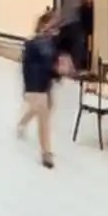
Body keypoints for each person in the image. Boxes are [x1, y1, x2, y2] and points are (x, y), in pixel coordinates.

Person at [17, 11, 69, 168]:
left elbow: (53, 66)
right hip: (34, 86)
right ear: (43, 25)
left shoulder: (53, 44)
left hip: (45, 86)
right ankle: (46, 153)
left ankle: (22, 123)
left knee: (45, 109)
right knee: (44, 116)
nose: (55, 28)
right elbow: (28, 68)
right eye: (52, 24)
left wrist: (58, 72)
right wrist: (29, 91)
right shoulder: (32, 44)